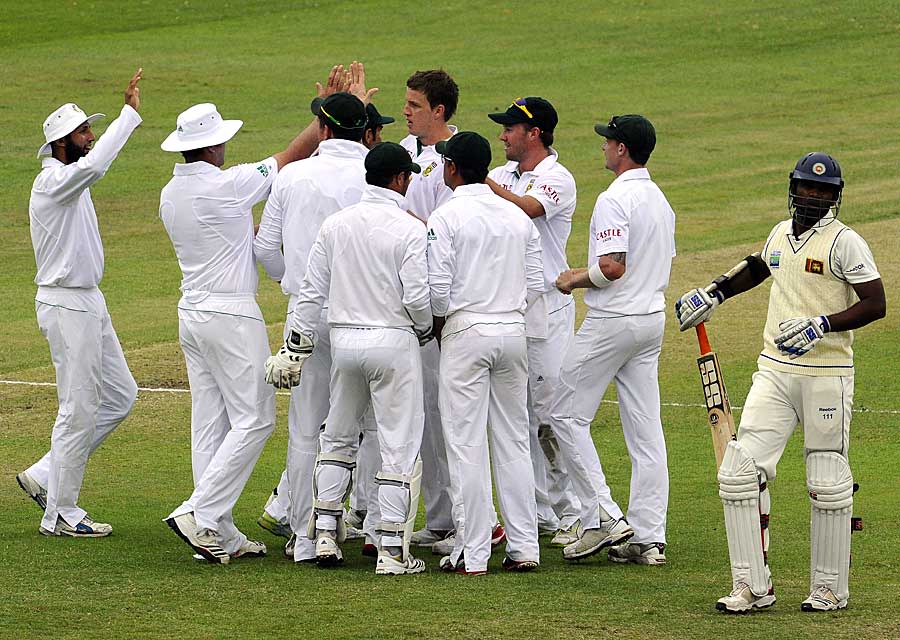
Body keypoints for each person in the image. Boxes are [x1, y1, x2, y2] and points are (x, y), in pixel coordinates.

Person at [675, 152, 885, 613]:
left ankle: (829, 589)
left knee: (827, 482)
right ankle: (752, 586)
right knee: (739, 473)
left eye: (823, 191)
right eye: (807, 189)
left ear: (835, 196)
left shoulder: (845, 242)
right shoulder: (779, 233)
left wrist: (822, 324)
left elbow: (876, 303)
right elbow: (759, 265)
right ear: (793, 189)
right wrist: (714, 291)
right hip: (774, 370)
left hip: (827, 374)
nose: (813, 197)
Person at [159, 98, 316, 563]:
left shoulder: (171, 192)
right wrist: (324, 113)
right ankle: (201, 513)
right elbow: (291, 156)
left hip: (192, 313)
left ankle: (219, 533)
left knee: (211, 422)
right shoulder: (227, 185)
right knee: (255, 419)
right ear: (213, 146)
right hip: (230, 315)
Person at [265, 142, 432, 576]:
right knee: (396, 443)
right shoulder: (410, 229)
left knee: (336, 436)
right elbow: (417, 297)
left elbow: (310, 290)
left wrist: (294, 347)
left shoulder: (335, 225)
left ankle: (323, 533)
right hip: (392, 342)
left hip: (344, 344)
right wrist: (424, 326)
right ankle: (392, 549)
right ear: (399, 179)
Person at [18, 69, 144, 538]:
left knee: (120, 395)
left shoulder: (69, 179)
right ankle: (60, 512)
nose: (89, 137)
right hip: (66, 304)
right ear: (61, 142)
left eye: (91, 129)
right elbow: (95, 167)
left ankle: (47, 475)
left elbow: (89, 170)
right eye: (82, 132)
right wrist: (129, 115)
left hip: (89, 300)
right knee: (78, 406)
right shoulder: (53, 182)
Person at [551, 115, 675, 565]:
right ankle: (648, 536)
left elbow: (612, 266)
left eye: (608, 141)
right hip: (650, 321)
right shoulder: (660, 200)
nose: (603, 146)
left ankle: (603, 516)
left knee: (563, 412)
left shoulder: (614, 198)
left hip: (614, 319)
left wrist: (572, 279)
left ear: (622, 149)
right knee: (645, 429)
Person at [253, 91, 369, 564]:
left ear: (322, 129)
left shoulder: (294, 176)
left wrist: (294, 281)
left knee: (305, 429)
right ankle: (373, 529)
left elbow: (264, 250)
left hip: (306, 315)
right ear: (364, 131)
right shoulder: (375, 173)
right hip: (364, 317)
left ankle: (304, 536)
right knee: (369, 427)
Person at [427, 132, 543, 574]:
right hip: (512, 330)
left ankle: (473, 553)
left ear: (453, 169)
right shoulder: (517, 218)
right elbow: (535, 284)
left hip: (466, 331)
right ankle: (525, 548)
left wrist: (442, 326)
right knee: (513, 440)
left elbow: (437, 292)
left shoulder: (446, 216)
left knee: (465, 443)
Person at [486, 96, 582, 546]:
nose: (503, 135)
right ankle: (540, 512)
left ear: (534, 133)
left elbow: (525, 209)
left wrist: (476, 182)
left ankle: (572, 514)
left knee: (549, 415)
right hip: (509, 308)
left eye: (510, 128)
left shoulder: (557, 179)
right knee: (517, 417)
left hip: (548, 308)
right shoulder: (505, 175)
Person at [398, 69, 463, 549]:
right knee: (427, 415)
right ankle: (441, 517)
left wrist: (398, 219)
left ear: (439, 111)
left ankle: (472, 520)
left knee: (451, 417)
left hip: (446, 307)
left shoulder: (456, 161)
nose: (407, 111)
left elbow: (449, 233)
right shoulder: (405, 152)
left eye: (416, 105)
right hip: (413, 304)